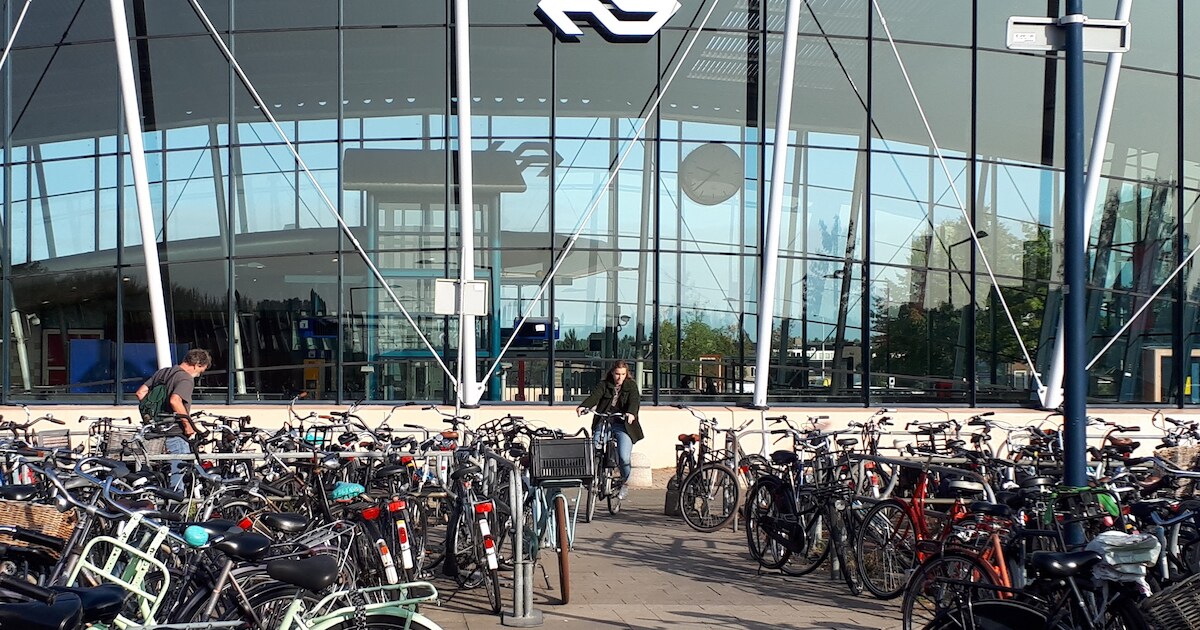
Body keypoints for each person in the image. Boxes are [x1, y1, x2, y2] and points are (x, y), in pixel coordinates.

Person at [135, 349, 211, 492]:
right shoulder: (186, 378)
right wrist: (188, 427)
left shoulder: (162, 373)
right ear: (196, 365)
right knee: (178, 476)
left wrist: (154, 414)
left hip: (155, 431)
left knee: (158, 473)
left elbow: (140, 393)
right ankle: (174, 511)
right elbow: (175, 401)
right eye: (201, 371)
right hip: (174, 432)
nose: (199, 374)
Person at [577, 360, 641, 500]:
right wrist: (584, 406)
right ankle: (592, 477)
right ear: (612, 373)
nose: (619, 377)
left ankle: (624, 483)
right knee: (594, 447)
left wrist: (631, 413)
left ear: (626, 374)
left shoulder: (631, 386)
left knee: (624, 457)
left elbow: (635, 400)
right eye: (617, 374)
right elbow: (594, 396)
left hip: (623, 425)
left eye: (623, 374)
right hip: (604, 421)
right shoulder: (604, 385)